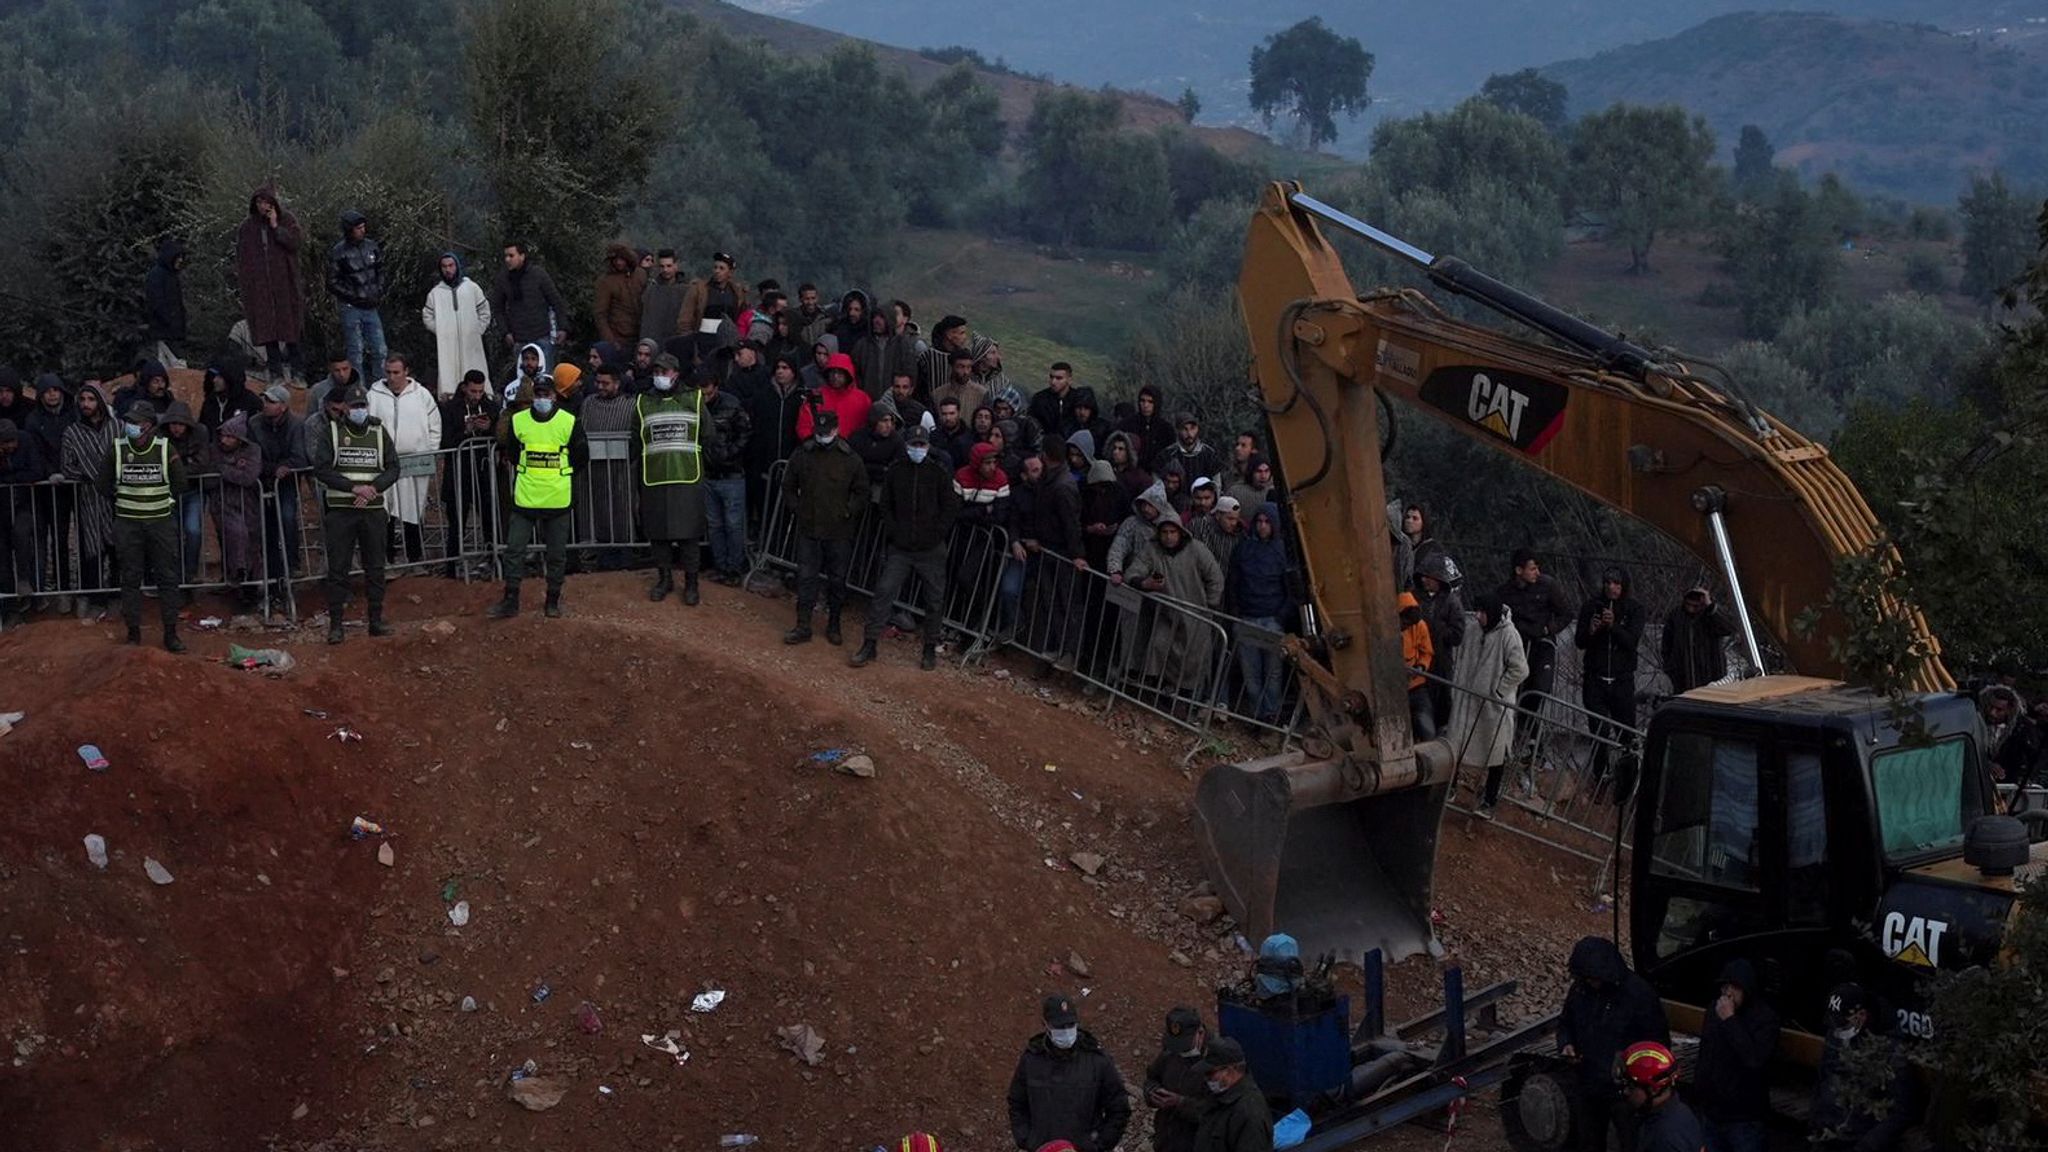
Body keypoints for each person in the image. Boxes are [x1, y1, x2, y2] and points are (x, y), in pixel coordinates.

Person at [849, 424, 960, 671]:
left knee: (934, 601)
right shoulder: (896, 471)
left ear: (928, 446)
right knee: (884, 591)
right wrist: (894, 530)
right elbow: (885, 504)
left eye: (921, 445)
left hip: (930, 549)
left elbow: (950, 507)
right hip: (901, 547)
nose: (917, 449)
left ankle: (929, 648)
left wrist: (937, 533)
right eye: (913, 444)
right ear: (906, 445)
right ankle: (869, 644)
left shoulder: (939, 473)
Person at [1557, 936, 1670, 1152]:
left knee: (1632, 1144)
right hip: (1588, 1083)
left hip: (1625, 1092)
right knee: (1589, 1143)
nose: (1591, 982)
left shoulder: (1638, 994)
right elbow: (1565, 1024)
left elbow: (1658, 1044)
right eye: (1586, 978)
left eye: (1593, 978)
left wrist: (1636, 1078)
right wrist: (1566, 1045)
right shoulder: (1580, 991)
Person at [489, 374, 585, 619]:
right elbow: (512, 452)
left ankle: (553, 600)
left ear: (555, 396)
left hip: (557, 497)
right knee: (514, 549)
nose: (542, 398)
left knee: (556, 554)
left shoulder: (569, 421)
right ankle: (511, 599)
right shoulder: (519, 421)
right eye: (539, 394)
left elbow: (581, 456)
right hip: (526, 496)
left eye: (547, 394)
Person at [311, 386, 399, 644]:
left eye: (363, 406)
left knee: (375, 567)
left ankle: (376, 620)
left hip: (372, 511)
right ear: (345, 408)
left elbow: (394, 467)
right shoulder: (333, 432)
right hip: (341, 511)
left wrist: (373, 488)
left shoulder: (379, 432)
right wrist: (353, 488)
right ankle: (336, 626)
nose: (359, 410)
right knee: (338, 569)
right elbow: (322, 469)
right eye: (355, 406)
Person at [99, 403, 188, 651]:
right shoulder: (117, 449)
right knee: (130, 578)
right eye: (130, 421)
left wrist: (163, 502)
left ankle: (171, 634)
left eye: (137, 422)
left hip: (160, 523)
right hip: (128, 524)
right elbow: (102, 483)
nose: (132, 426)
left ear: (149, 426)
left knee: (167, 578)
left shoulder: (164, 448)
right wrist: (123, 502)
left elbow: (181, 482)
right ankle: (133, 633)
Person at [782, 409, 868, 645]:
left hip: (838, 531)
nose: (822, 436)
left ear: (836, 430)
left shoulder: (850, 459)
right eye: (819, 432)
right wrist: (797, 508)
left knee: (837, 581)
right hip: (809, 527)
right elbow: (788, 484)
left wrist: (848, 511)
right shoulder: (804, 454)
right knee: (806, 577)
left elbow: (861, 492)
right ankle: (803, 625)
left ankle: (834, 625)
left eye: (826, 432)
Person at [1006, 994, 1131, 1152]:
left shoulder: (1097, 1061)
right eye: (1059, 1027)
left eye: (1070, 1025)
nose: (1066, 1032)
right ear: (1046, 1025)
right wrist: (1026, 1139)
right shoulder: (1032, 1061)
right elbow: (1017, 1103)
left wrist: (1099, 1144)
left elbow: (1119, 1108)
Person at [632, 359, 712, 605]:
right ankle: (664, 579)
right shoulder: (643, 401)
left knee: (688, 535)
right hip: (654, 478)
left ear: (676, 373)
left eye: (664, 371)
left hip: (687, 476)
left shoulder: (694, 399)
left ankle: (691, 583)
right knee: (659, 535)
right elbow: (636, 440)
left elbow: (708, 435)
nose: (659, 376)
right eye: (655, 372)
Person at [1126, 509, 1225, 692]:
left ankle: (1187, 696)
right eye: (1164, 532)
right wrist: (1145, 583)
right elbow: (1133, 572)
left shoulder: (1196, 549)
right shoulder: (1152, 549)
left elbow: (1215, 577)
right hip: (1167, 612)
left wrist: (1210, 604)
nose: (1169, 537)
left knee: (1193, 658)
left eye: (1172, 532)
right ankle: (1159, 690)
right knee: (1159, 647)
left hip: (1195, 614)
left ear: (1180, 532)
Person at [1450, 592, 1530, 818]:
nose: (1478, 616)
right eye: (1477, 611)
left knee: (1495, 751)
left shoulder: (1509, 635)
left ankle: (1489, 800)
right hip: (1467, 699)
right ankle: (1450, 788)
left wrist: (1498, 690)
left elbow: (1520, 669)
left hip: (1493, 706)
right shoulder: (1473, 629)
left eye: (1483, 612)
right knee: (1456, 743)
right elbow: (1462, 653)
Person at [1810, 984, 1915, 1152]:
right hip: (1826, 1135)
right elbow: (1823, 1076)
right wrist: (1816, 1119)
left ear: (1862, 1016)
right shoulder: (1836, 1034)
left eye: (1843, 1023)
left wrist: (1867, 1146)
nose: (1837, 1029)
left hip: (1859, 1140)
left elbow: (1900, 1111)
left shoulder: (1892, 1053)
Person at [1498, 549, 1576, 765]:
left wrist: (1548, 629)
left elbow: (1566, 613)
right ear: (1518, 570)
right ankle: (1527, 743)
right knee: (1518, 691)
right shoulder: (1506, 593)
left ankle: (1531, 740)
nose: (1536, 573)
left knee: (1538, 690)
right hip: (1518, 647)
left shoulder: (1548, 586)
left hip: (1542, 645)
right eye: (1532, 568)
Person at [367, 352, 442, 569]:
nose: (392, 377)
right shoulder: (374, 395)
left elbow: (434, 425)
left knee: (413, 509)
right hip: (384, 465)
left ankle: (415, 559)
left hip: (414, 463)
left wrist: (430, 452)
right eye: (388, 372)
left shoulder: (422, 395)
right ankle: (387, 559)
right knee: (385, 511)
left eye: (396, 372)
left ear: (406, 371)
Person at [1693, 960, 1777, 1152]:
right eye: (1725, 986)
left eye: (1735, 988)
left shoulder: (1764, 1019)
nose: (1728, 993)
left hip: (1744, 1118)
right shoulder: (1714, 1010)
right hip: (1713, 1112)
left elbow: (1754, 1059)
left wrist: (1730, 1020)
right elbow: (1706, 1051)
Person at [1575, 567, 1644, 802]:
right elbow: (1579, 641)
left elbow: (1631, 641)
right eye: (1607, 582)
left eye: (1616, 583)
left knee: (1627, 734)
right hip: (1595, 678)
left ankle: (1627, 787)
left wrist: (1614, 625)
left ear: (1623, 586)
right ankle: (1600, 778)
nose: (1611, 587)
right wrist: (1592, 630)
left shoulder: (1634, 609)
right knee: (1600, 732)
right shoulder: (1591, 606)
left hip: (1622, 680)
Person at [1227, 503, 1293, 724]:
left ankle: (1271, 714)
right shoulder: (1243, 549)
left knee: (1273, 673)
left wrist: (1281, 616)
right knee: (1251, 673)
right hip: (1247, 617)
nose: (1263, 526)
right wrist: (1237, 611)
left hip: (1272, 619)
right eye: (1259, 522)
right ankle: (1258, 715)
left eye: (1267, 522)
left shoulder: (1282, 551)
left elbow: (1290, 588)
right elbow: (1233, 583)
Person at [234, 183, 305, 384]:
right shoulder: (247, 228)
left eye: (266, 201)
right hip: (261, 288)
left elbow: (295, 243)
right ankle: (275, 373)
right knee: (268, 332)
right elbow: (242, 258)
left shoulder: (287, 220)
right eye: (259, 202)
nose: (263, 206)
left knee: (291, 330)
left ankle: (298, 372)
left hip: (285, 286)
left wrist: (276, 227)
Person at [572, 361, 638, 570]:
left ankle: (624, 556)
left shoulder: (630, 404)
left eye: (606, 383)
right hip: (593, 470)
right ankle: (601, 556)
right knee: (597, 511)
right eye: (598, 382)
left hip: (621, 470)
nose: (600, 387)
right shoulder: (589, 403)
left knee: (622, 510)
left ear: (617, 384)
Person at [61, 381, 119, 616]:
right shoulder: (72, 432)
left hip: (116, 498)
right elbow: (67, 467)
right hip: (89, 499)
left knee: (118, 548)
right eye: (83, 400)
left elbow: (131, 454)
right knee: (91, 549)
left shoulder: (118, 427)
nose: (86, 404)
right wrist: (91, 477)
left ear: (100, 403)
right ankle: (94, 598)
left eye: (91, 399)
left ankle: (116, 594)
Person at [438, 371, 500, 576]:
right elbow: (444, 441)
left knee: (489, 518)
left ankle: (492, 559)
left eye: (481, 391)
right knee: (457, 521)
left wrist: (489, 428)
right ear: (464, 387)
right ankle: (451, 567)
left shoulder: (491, 407)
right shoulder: (450, 409)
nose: (477, 395)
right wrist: (465, 430)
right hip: (458, 472)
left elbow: (500, 436)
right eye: (473, 391)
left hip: (483, 471)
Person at [24, 375, 76, 611]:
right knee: (48, 539)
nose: (53, 395)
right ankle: (49, 589)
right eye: (48, 391)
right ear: (41, 395)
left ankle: (71, 589)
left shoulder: (73, 414)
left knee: (73, 537)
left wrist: (71, 471)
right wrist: (50, 473)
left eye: (56, 390)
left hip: (74, 482)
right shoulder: (33, 420)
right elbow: (34, 451)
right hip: (47, 486)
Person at [699, 363, 753, 586]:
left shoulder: (732, 405)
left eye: (707, 387)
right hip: (708, 473)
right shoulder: (698, 405)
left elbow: (746, 432)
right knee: (714, 524)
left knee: (733, 524)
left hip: (731, 474)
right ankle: (721, 566)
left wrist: (729, 454)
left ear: (716, 386)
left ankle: (735, 568)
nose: (703, 393)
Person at [209, 412, 266, 604]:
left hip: (248, 502)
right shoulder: (214, 450)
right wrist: (234, 468)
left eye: (230, 436)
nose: (224, 440)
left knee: (252, 541)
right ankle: (237, 580)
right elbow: (211, 469)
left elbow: (249, 476)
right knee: (234, 537)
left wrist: (225, 470)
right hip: (223, 502)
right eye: (223, 435)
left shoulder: (253, 450)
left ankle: (251, 584)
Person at [328, 209, 388, 385]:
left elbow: (381, 270)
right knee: (356, 352)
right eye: (358, 228)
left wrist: (379, 290)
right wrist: (353, 296)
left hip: (371, 306)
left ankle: (380, 387)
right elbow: (332, 282)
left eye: (363, 227)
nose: (363, 230)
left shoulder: (372, 246)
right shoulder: (338, 252)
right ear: (349, 229)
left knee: (380, 349)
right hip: (351, 307)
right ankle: (358, 390)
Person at [422, 252, 492, 399]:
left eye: (451, 265)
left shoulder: (472, 288)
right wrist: (441, 331)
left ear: (457, 266)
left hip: (471, 343)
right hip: (447, 344)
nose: (448, 270)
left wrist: (477, 330)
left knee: (475, 372)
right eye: (444, 266)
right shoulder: (435, 293)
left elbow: (484, 310)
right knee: (449, 377)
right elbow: (427, 316)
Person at [1142, 1007, 1209, 1152]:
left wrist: (1180, 1103)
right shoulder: (1170, 1053)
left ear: (1200, 1033)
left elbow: (1218, 1112)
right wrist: (1152, 1093)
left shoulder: (1216, 1063)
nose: (1180, 1051)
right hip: (1166, 1141)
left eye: (1184, 1045)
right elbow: (1152, 1078)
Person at [158, 401, 211, 584]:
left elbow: (202, 464)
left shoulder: (200, 433)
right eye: (173, 424)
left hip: (193, 491)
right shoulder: (160, 435)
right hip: (169, 493)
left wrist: (175, 467)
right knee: (172, 535)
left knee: (193, 530)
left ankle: (190, 573)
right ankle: (175, 576)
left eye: (180, 424)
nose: (177, 429)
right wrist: (185, 463)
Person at [492, 240, 568, 365]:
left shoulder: (538, 274)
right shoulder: (503, 279)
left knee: (544, 378)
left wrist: (563, 327)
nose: (507, 260)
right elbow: (498, 308)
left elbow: (556, 301)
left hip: (542, 335)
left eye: (511, 256)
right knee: (524, 380)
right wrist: (505, 332)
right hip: (519, 338)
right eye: (505, 256)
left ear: (521, 256)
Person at [1190, 1036, 1272, 1152]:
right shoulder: (1220, 1098)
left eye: (1210, 1073)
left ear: (1230, 1070)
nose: (1206, 1078)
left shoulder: (1249, 1113)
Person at [1617, 1042, 1703, 1152]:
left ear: (1654, 1089)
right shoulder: (1680, 1111)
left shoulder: (1663, 1139)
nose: (1626, 1092)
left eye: (1631, 1086)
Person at [1413, 551, 1466, 729]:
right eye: (1423, 576)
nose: (1424, 580)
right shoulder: (1414, 598)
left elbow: (1457, 635)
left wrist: (1437, 628)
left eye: (1429, 576)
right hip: (1417, 660)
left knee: (1442, 702)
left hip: (1441, 661)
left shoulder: (1451, 602)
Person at [1662, 586, 1731, 693]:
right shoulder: (1676, 616)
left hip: (1711, 678)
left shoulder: (1710, 614)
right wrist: (1671, 668)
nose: (1693, 604)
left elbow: (1728, 628)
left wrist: (1710, 606)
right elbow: (1666, 645)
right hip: (1682, 679)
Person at [797, 352, 872, 445]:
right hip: (820, 451)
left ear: (848, 374)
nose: (835, 377)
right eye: (833, 372)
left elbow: (868, 429)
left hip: (852, 452)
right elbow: (804, 426)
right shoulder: (816, 395)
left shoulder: (862, 399)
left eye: (840, 373)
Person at [144, 239, 189, 368]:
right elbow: (157, 303)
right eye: (178, 257)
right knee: (179, 364)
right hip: (166, 332)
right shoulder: (157, 276)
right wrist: (171, 322)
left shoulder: (171, 276)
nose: (180, 260)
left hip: (169, 332)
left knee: (164, 365)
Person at [680, 252, 748, 336]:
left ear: (730, 272)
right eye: (715, 267)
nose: (717, 271)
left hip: (729, 340)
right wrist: (687, 337)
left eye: (721, 268)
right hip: (703, 338)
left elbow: (744, 317)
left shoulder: (737, 292)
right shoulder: (699, 289)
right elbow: (686, 318)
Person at [1399, 591, 1436, 738]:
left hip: (1416, 685)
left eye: (1409, 624)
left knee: (1427, 727)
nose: (1407, 626)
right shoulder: (1384, 628)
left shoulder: (1420, 626)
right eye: (1405, 623)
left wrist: (1420, 667)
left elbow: (1427, 652)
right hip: (1393, 689)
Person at [594, 241, 646, 346]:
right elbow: (600, 314)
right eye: (615, 259)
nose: (618, 262)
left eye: (621, 259)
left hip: (641, 334)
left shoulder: (640, 274)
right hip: (618, 337)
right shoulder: (606, 281)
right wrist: (610, 341)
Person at [1155, 412, 1222, 484]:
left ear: (1197, 429)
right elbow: (1156, 480)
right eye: (1185, 429)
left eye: (1192, 428)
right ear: (1178, 430)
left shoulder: (1209, 454)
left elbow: (1216, 483)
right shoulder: (1167, 455)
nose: (1189, 433)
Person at [640, 249, 689, 345]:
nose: (665, 270)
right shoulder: (651, 290)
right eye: (662, 266)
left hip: (677, 342)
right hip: (655, 341)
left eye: (669, 266)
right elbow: (646, 321)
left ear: (676, 265)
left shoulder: (686, 290)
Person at [1029, 362, 1077, 440]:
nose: (1053, 382)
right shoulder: (1040, 399)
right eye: (1051, 377)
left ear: (1069, 380)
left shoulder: (1077, 399)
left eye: (1059, 378)